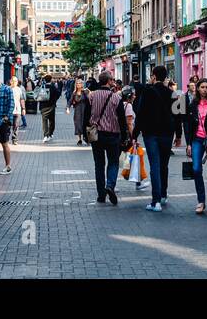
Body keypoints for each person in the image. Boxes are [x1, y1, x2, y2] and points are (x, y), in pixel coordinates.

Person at [133, 66, 179, 211]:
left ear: (153, 76)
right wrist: (179, 135)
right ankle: (164, 195)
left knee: (155, 165)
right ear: (166, 77)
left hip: (150, 133)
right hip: (167, 133)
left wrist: (134, 135)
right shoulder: (175, 93)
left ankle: (156, 201)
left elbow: (140, 114)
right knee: (164, 164)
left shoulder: (146, 92)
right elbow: (179, 116)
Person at [87, 74, 124, 205]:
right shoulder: (116, 97)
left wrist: (87, 132)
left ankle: (101, 195)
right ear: (108, 81)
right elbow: (122, 118)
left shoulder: (91, 96)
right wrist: (124, 136)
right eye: (112, 80)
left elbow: (87, 114)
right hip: (113, 134)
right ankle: (110, 185)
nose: (113, 82)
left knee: (99, 164)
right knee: (113, 162)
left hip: (96, 135)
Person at [184, 77, 207, 214]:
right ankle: (201, 200)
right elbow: (187, 125)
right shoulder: (192, 104)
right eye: (202, 87)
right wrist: (188, 144)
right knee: (197, 169)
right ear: (197, 88)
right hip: (197, 139)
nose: (205, 90)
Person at [70, 78, 90, 145]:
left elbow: (90, 99)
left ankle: (86, 138)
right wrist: (67, 108)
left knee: (85, 124)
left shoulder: (85, 91)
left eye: (80, 83)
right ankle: (79, 139)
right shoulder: (74, 93)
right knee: (78, 124)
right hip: (77, 110)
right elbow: (70, 101)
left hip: (85, 110)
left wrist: (88, 92)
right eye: (77, 84)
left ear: (82, 84)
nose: (79, 85)